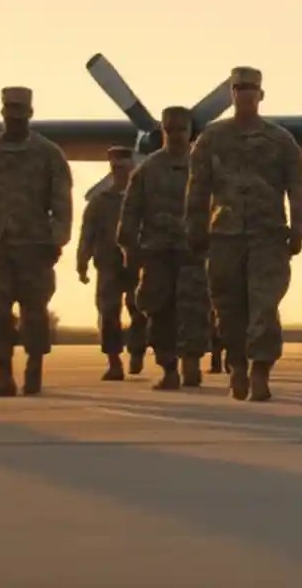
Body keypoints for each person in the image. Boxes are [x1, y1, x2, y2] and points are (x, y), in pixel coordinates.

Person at [186, 66, 302, 402]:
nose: (245, 94)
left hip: (268, 236)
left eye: (251, 88)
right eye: (239, 88)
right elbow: (197, 189)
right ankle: (237, 366)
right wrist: (195, 230)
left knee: (264, 304)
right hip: (224, 235)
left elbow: (297, 190)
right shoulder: (211, 139)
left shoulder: (281, 141)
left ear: (261, 94)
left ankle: (260, 370)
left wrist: (298, 229)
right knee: (228, 306)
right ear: (232, 94)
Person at [0, 87, 72, 397]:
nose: (15, 118)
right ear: (2, 112)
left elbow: (61, 200)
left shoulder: (49, 153)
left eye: (20, 113)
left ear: (30, 114)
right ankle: (3, 374)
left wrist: (57, 238)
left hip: (34, 244)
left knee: (35, 311)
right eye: (10, 112)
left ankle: (34, 367)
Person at [119, 107, 212, 391]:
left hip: (193, 252)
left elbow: (219, 205)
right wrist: (128, 246)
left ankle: (192, 362)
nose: (176, 135)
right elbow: (131, 210)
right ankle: (169, 367)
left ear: (190, 132)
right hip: (157, 252)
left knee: (195, 308)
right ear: (162, 130)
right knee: (158, 309)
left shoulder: (204, 167)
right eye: (170, 129)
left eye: (181, 130)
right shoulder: (147, 169)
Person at [77, 146, 147, 380]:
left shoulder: (143, 198)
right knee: (108, 312)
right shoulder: (99, 202)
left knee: (140, 310)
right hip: (108, 263)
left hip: (138, 261)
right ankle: (114, 361)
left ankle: (137, 350)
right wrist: (82, 260)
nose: (120, 172)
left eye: (124, 167)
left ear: (132, 167)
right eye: (115, 168)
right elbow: (87, 232)